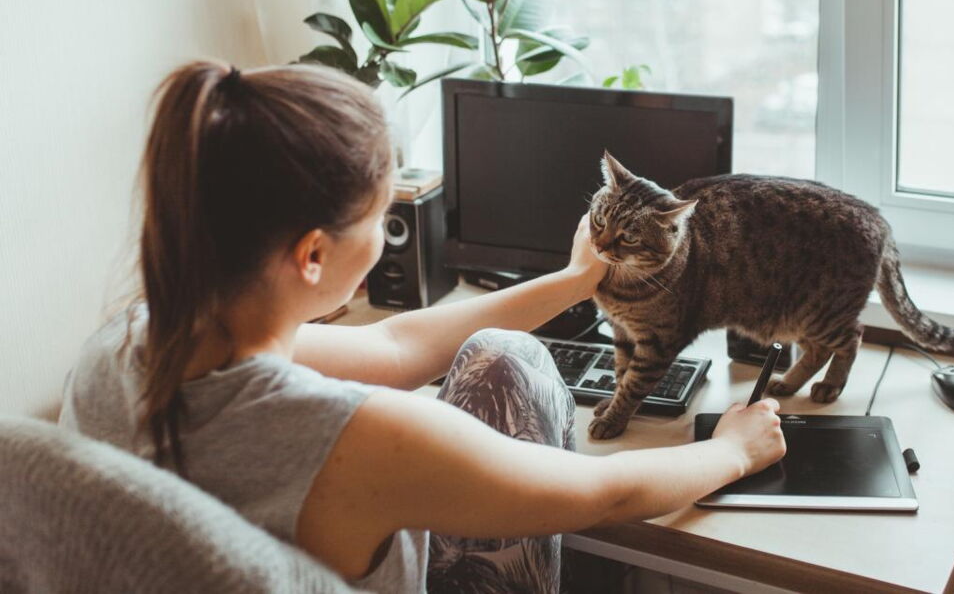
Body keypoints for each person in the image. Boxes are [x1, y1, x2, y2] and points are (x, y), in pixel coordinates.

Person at [58, 61, 786, 593]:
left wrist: (572, 282)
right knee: (516, 366)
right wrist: (732, 450)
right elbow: (607, 493)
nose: (388, 235)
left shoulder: (126, 342)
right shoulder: (353, 439)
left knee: (499, 352)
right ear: (312, 254)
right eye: (382, 217)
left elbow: (395, 345)